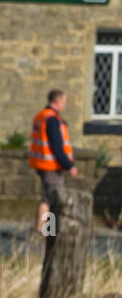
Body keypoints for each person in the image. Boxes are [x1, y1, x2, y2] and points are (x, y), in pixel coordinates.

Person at [29, 89, 77, 232]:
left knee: (46, 197)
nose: (65, 104)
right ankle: (47, 232)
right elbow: (56, 145)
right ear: (56, 101)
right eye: (64, 101)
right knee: (53, 199)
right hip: (51, 166)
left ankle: (41, 230)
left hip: (41, 163)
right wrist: (69, 165)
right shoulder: (52, 119)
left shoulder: (40, 116)